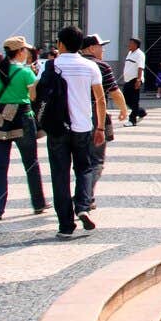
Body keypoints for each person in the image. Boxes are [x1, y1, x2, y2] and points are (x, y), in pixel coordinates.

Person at [38, 26, 106, 238]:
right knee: (84, 168)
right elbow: (101, 99)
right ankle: (83, 206)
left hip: (57, 127)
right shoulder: (90, 66)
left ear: (60, 44)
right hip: (83, 126)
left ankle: (65, 225)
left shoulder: (50, 65)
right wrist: (100, 127)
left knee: (60, 175)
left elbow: (35, 93)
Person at [0, 35, 46, 221]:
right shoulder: (26, 73)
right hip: (23, 118)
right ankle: (38, 203)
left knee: (0, 167)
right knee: (31, 164)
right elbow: (34, 97)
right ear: (20, 52)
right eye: (25, 50)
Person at [80, 34, 129, 213]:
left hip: (74, 115)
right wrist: (123, 109)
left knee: (80, 160)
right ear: (91, 48)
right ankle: (86, 197)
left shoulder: (75, 64)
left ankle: (83, 195)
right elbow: (114, 92)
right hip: (95, 115)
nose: (103, 49)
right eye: (101, 46)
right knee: (96, 160)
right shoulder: (101, 66)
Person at [121, 37, 147, 125]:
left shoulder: (140, 54)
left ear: (135, 45)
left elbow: (140, 67)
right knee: (125, 99)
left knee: (134, 100)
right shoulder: (130, 53)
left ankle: (132, 120)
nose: (129, 45)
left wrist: (138, 80)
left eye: (131, 43)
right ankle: (141, 112)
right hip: (128, 80)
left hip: (135, 80)